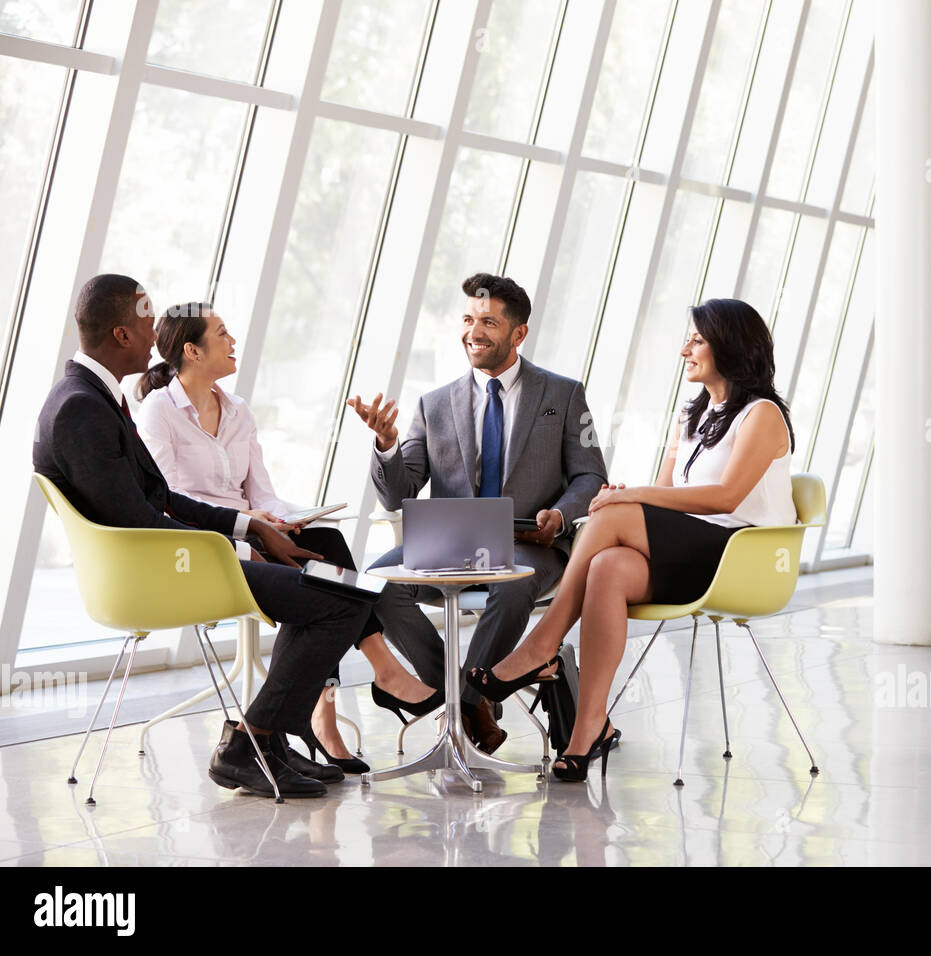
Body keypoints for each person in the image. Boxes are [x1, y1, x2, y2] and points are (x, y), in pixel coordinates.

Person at [33, 273, 375, 799]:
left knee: (339, 582)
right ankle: (253, 741)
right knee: (340, 602)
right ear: (122, 334)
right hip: (165, 571)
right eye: (148, 324)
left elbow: (161, 498)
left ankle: (266, 739)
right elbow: (137, 522)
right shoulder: (82, 407)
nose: (155, 337)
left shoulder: (96, 397)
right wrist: (235, 546)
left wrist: (251, 525)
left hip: (177, 557)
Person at [467, 298, 796, 781]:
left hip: (740, 556)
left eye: (697, 340)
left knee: (616, 510)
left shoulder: (761, 414)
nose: (686, 348)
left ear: (729, 346)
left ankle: (541, 646)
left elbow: (727, 497)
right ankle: (587, 732)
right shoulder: (694, 415)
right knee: (608, 567)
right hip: (689, 553)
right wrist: (629, 497)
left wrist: (631, 498)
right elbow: (666, 494)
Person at [135, 302, 441, 773]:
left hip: (252, 536)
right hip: (204, 548)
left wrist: (292, 517)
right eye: (222, 333)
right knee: (327, 580)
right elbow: (171, 500)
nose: (233, 341)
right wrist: (251, 520)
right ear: (192, 351)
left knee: (326, 544)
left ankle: (330, 709)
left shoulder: (236, 411)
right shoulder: (159, 412)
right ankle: (363, 687)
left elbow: (263, 495)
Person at [347, 273, 608, 754]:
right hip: (452, 543)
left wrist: (562, 513)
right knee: (377, 583)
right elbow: (397, 491)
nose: (474, 331)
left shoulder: (564, 395)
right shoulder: (434, 404)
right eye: (468, 319)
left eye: (488, 321)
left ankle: (462, 704)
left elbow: (591, 475)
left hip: (532, 543)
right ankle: (469, 703)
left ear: (518, 333)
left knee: (511, 592)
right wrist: (386, 445)